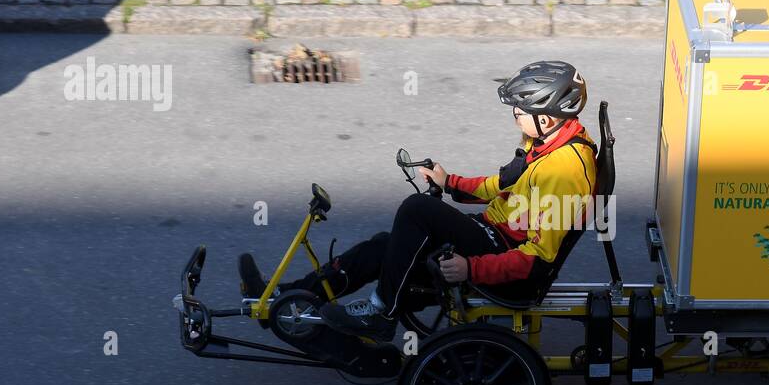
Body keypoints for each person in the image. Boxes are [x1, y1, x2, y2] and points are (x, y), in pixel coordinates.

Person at [239, 60, 598, 341]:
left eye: (519, 113)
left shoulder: (564, 172)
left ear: (547, 118)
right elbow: (503, 184)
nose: (514, 118)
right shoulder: (544, 141)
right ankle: (286, 298)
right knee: (384, 247)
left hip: (507, 261)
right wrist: (450, 182)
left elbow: (536, 261)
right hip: (493, 235)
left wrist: (471, 269)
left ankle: (380, 314)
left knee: (417, 210)